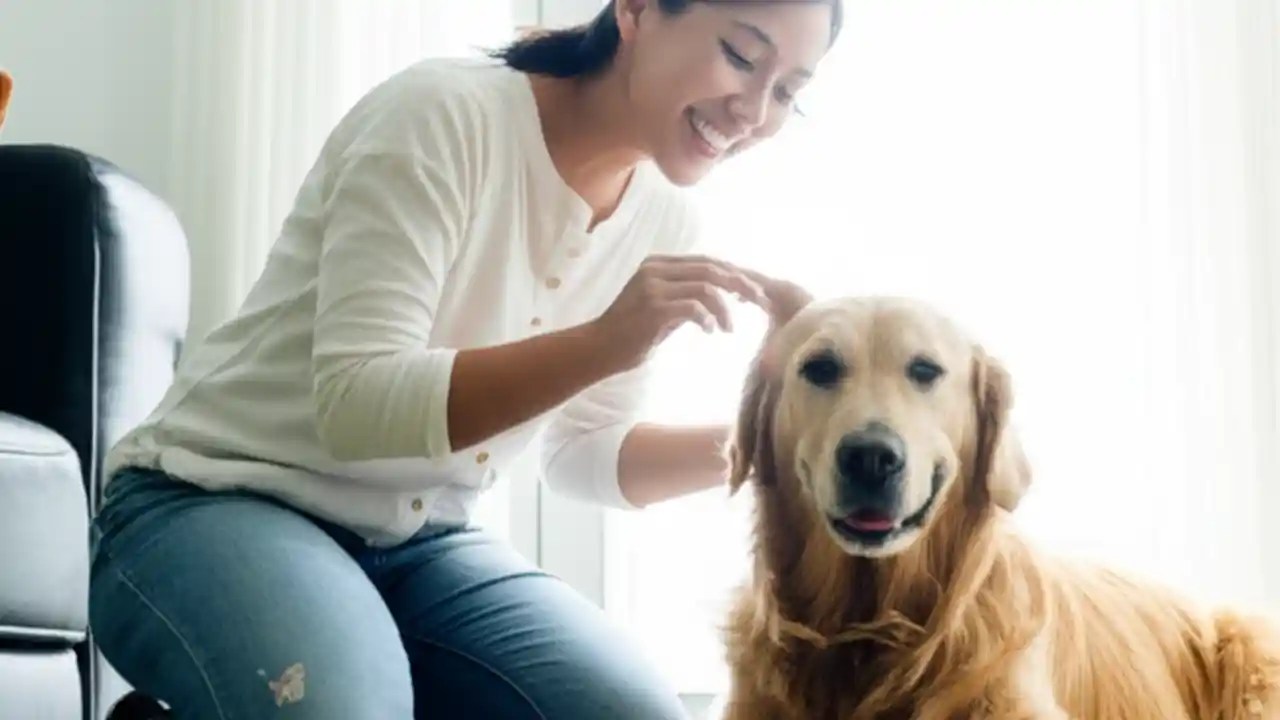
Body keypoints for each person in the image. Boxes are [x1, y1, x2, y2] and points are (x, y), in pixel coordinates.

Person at [88, 0, 842, 717]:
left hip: (420, 542)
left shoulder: (665, 217)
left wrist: (779, 435)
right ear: (638, 11)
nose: (754, 110)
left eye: (788, 93)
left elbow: (583, 455)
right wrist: (605, 340)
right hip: (212, 500)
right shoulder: (443, 116)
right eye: (742, 55)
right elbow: (357, 403)